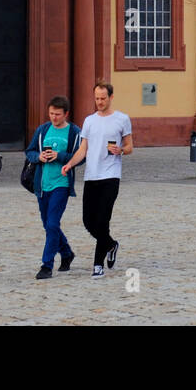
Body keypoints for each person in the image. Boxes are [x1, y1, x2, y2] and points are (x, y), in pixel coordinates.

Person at [60, 81, 133, 279]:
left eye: (103, 98)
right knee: (88, 221)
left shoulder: (122, 119)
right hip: (91, 176)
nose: (99, 102)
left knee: (102, 221)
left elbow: (130, 146)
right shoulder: (89, 121)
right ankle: (111, 245)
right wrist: (70, 164)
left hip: (111, 176)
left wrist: (121, 150)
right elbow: (83, 149)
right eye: (97, 98)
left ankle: (97, 265)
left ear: (111, 97)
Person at [25, 95, 82, 280]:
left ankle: (46, 266)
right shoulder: (42, 130)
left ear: (66, 114)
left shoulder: (74, 132)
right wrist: (38, 157)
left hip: (62, 183)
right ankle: (66, 253)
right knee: (47, 225)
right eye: (51, 113)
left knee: (52, 223)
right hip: (42, 184)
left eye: (57, 114)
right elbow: (30, 151)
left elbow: (80, 157)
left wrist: (59, 156)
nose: (54, 117)